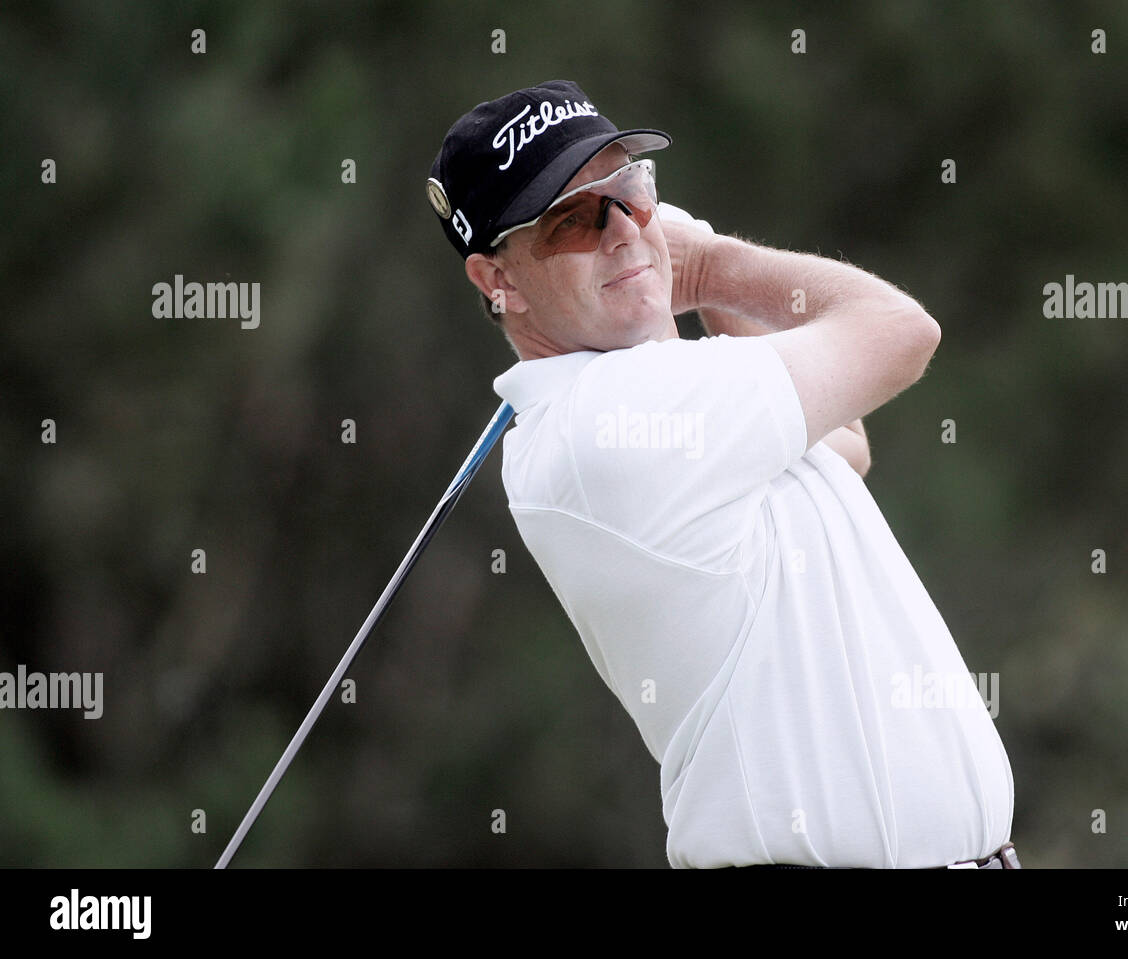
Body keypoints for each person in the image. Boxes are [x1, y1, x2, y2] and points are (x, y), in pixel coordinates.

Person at [427, 80, 1019, 869]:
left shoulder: (662, 399)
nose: (621, 231)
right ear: (495, 279)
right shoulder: (609, 425)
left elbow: (845, 445)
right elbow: (902, 330)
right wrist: (705, 268)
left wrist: (680, 279)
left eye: (628, 190)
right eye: (571, 220)